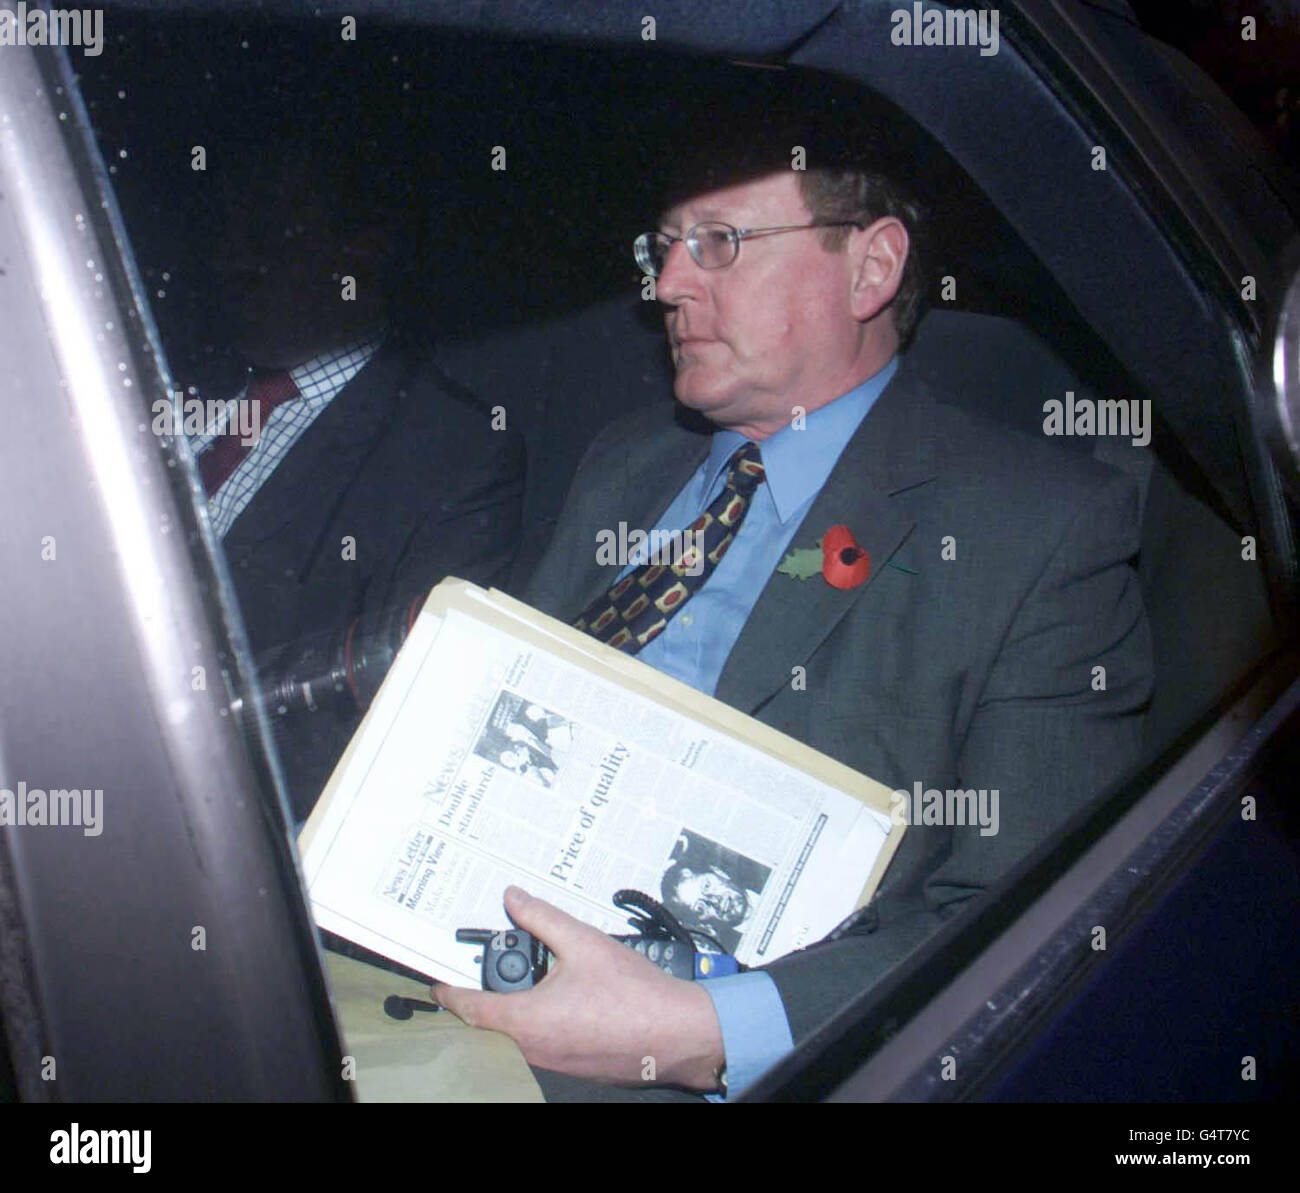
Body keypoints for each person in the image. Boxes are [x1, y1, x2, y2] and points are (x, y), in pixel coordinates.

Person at [431, 96, 1152, 1101]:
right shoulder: (626, 464)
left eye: (720, 243)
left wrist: (705, 1031)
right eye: (665, 246)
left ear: (871, 267)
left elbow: (1034, 922)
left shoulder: (1037, 528)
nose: (668, 285)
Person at [192, 141, 524, 818]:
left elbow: (387, 713)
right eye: (225, 229)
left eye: (265, 229)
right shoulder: (142, 373)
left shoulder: (455, 452)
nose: (230, 259)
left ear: (364, 248)